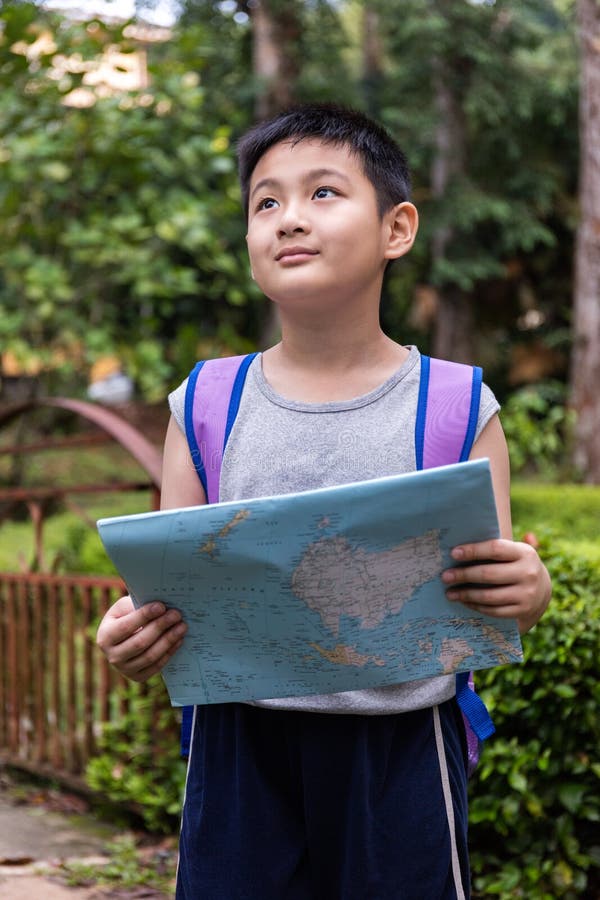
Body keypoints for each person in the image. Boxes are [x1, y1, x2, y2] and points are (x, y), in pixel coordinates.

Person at [97, 104, 551, 899]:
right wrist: (132, 636)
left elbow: (491, 605)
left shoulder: (456, 405)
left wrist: (529, 593)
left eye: (323, 193)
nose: (288, 219)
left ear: (397, 228)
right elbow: (165, 603)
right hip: (239, 750)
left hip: (402, 751)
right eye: (265, 203)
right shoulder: (204, 404)